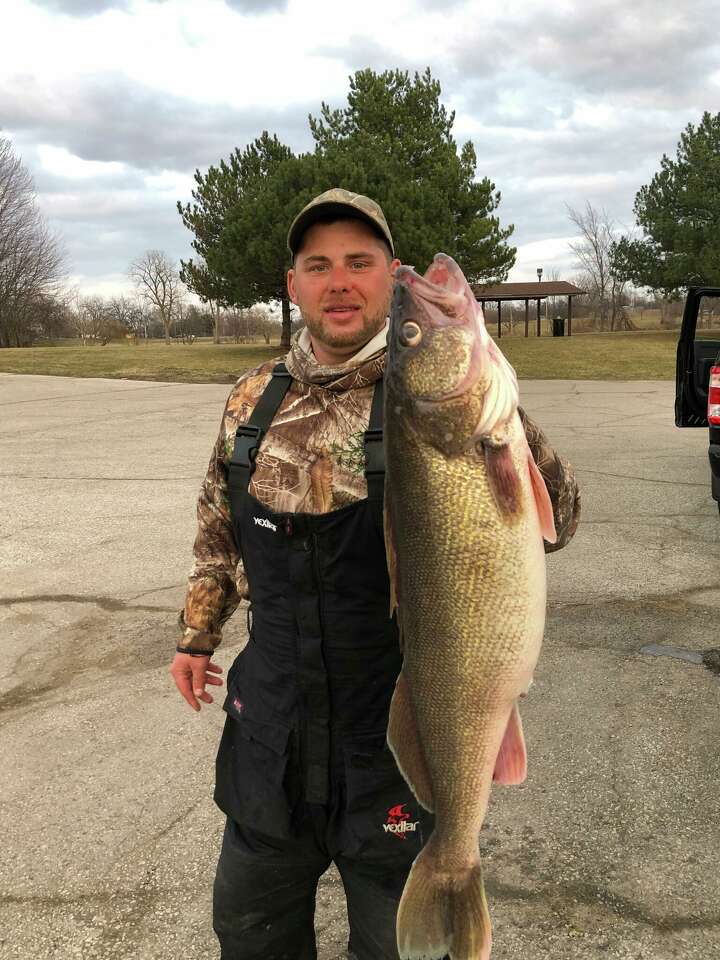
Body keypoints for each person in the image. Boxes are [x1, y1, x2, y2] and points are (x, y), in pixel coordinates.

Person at [169, 188, 581, 960]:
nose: (339, 281)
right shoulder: (253, 397)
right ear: (293, 284)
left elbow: (562, 518)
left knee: (392, 947)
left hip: (389, 730)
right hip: (273, 727)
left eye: (359, 262)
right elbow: (217, 524)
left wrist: (502, 419)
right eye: (318, 265)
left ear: (390, 279)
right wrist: (197, 634)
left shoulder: (428, 391)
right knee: (250, 934)